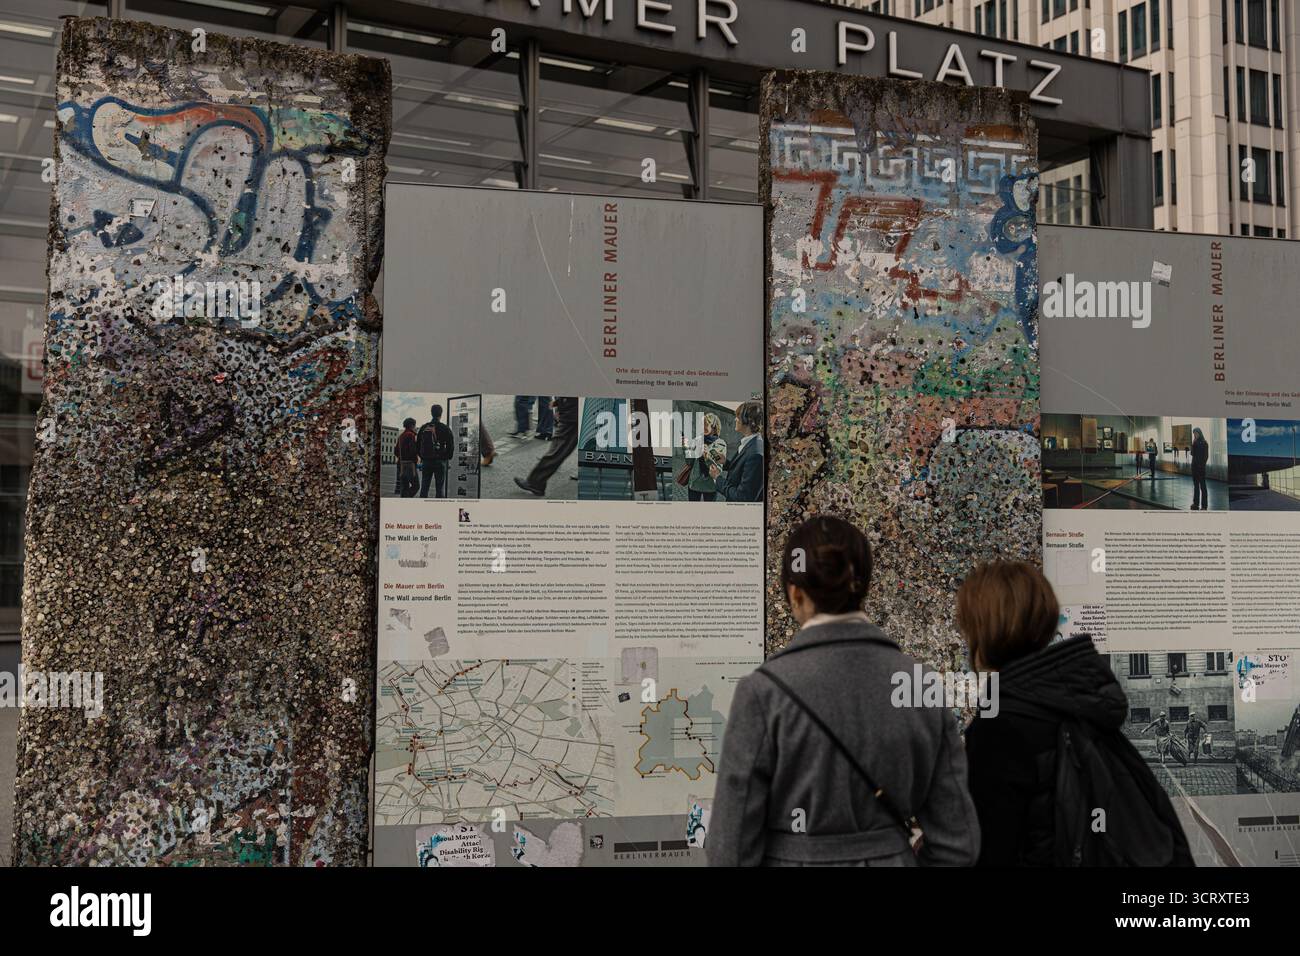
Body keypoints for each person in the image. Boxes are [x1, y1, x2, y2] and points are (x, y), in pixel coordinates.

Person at [708, 515, 979, 867]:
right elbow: (959, 843)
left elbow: (730, 850)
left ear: (795, 592)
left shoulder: (762, 694)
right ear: (863, 586)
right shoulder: (921, 684)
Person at [959, 561, 1193, 866]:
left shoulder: (999, 726)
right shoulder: (1078, 701)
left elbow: (992, 851)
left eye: (966, 624)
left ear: (983, 628)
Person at [514, 397, 578, 496]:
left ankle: (536, 482)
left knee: (559, 446)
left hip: (573, 410)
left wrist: (560, 405)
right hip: (577, 407)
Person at [711, 401, 764, 503]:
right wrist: (726, 462)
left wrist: (717, 478)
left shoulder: (756, 454)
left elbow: (742, 497)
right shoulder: (750, 442)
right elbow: (743, 469)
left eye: (738, 417)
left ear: (748, 420)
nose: (735, 419)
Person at [416, 404, 454, 499]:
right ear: (441, 414)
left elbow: (417, 444)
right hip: (440, 461)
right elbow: (451, 446)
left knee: (424, 488)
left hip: (427, 461)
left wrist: (423, 456)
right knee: (439, 489)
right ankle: (439, 510)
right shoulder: (445, 428)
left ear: (431, 413)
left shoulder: (424, 427)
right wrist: (446, 457)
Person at [687, 412, 727, 502]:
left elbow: (718, 468)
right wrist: (687, 448)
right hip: (694, 484)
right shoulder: (696, 440)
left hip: (710, 486)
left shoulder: (720, 444)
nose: (702, 426)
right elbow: (689, 462)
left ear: (713, 426)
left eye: (706, 424)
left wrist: (707, 456)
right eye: (701, 424)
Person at [395, 418, 420, 498]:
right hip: (410, 465)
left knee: (404, 486)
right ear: (412, 425)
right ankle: (406, 498)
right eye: (414, 425)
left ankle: (403, 501)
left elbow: (395, 451)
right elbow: (413, 450)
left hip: (401, 464)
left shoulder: (401, 436)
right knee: (416, 486)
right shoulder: (411, 435)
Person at [1190, 426, 1209, 510]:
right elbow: (1192, 454)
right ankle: (1195, 504)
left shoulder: (1205, 443)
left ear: (1200, 433)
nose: (1195, 435)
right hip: (1194, 467)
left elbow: (1206, 457)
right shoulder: (1195, 442)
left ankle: (1204, 506)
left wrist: (1201, 466)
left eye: (1196, 433)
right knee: (1196, 486)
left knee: (1203, 487)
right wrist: (1193, 444)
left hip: (1201, 468)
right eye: (1194, 433)